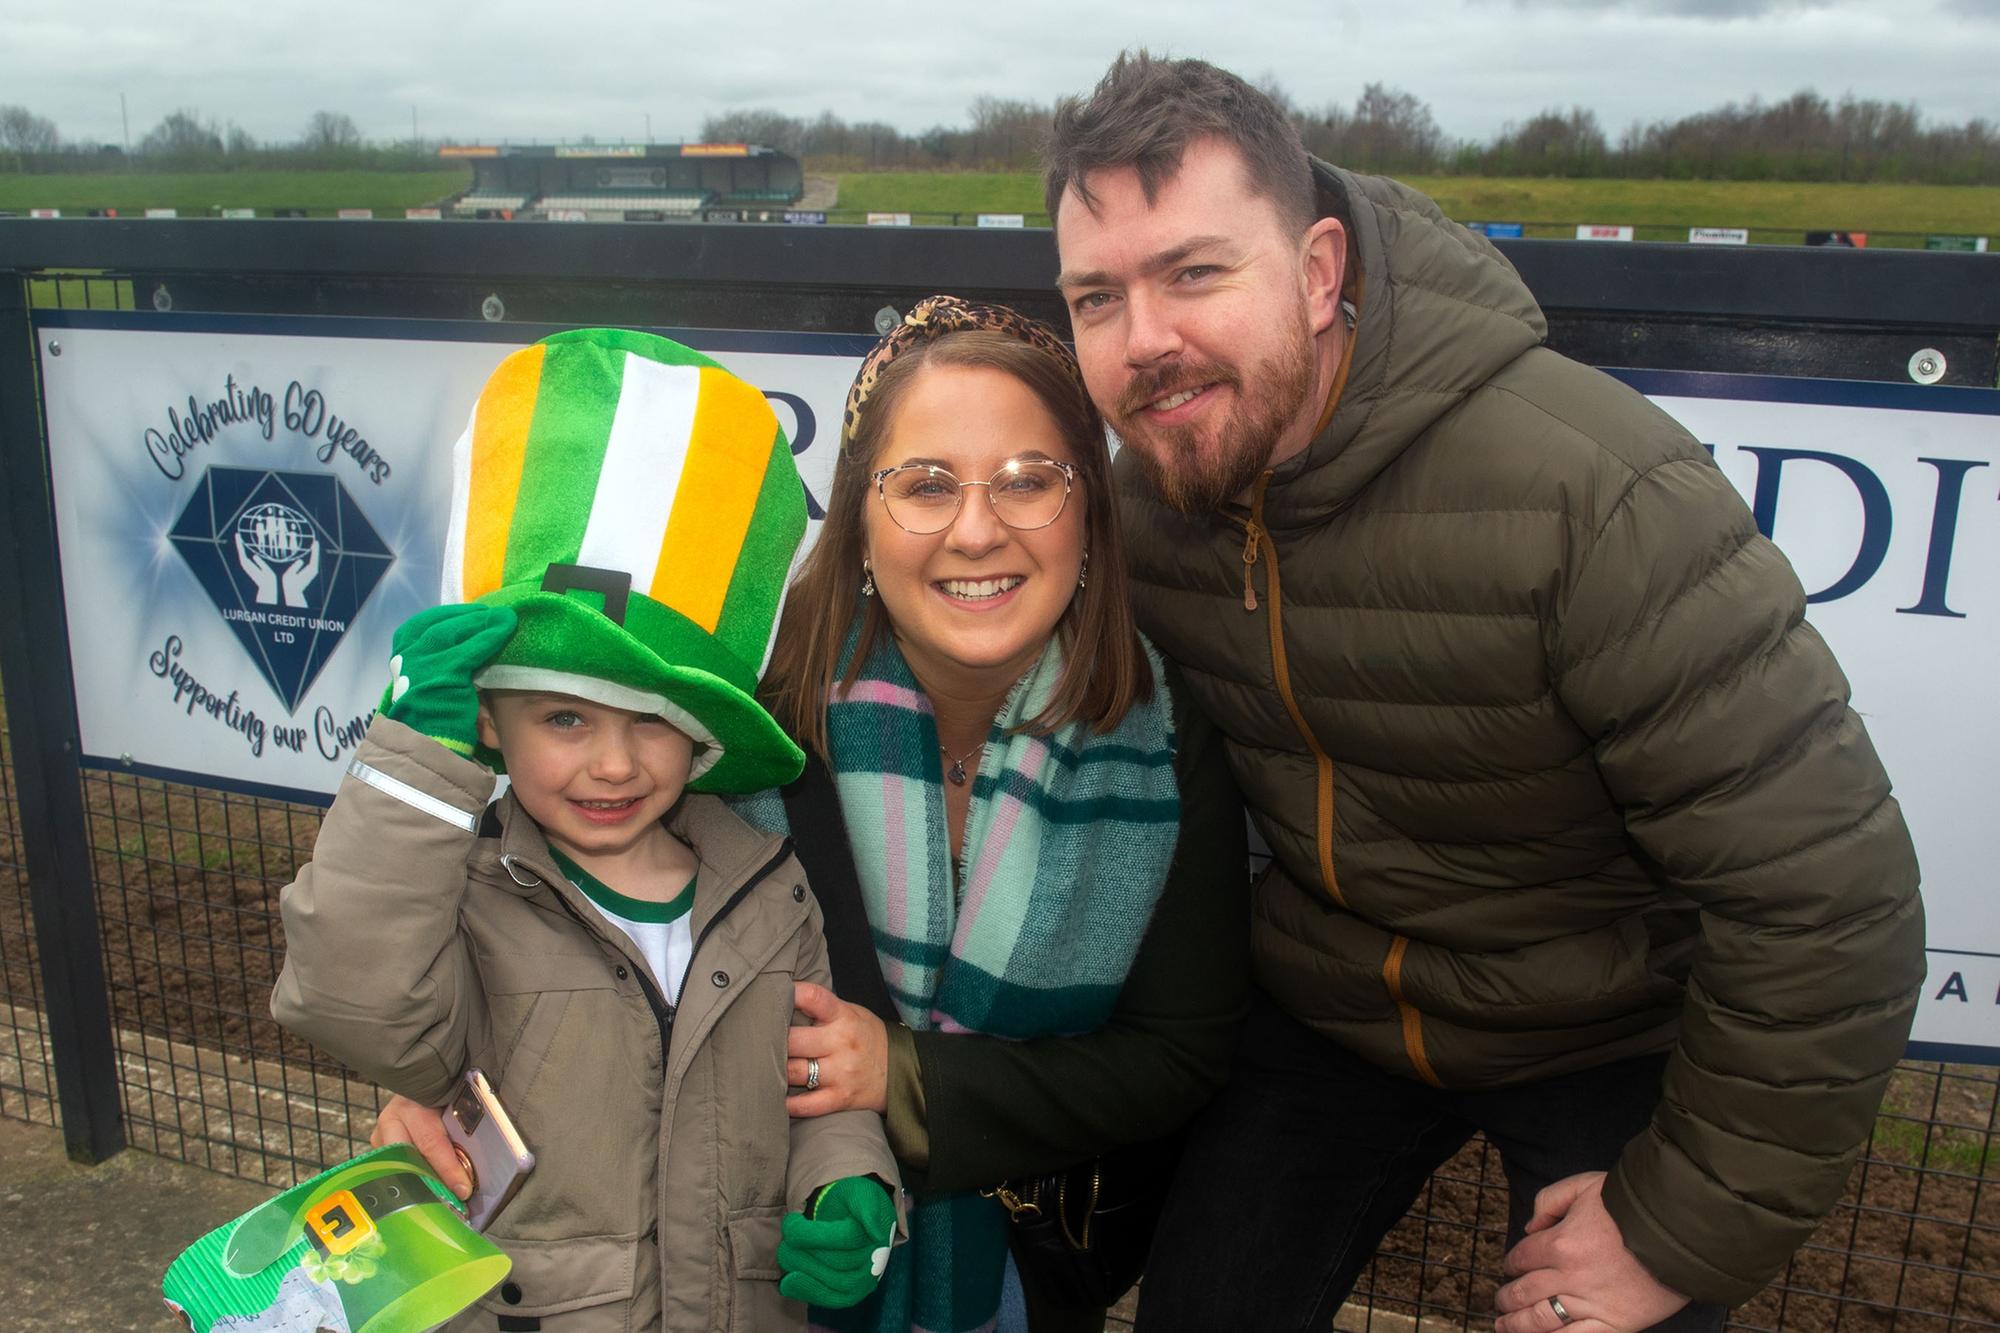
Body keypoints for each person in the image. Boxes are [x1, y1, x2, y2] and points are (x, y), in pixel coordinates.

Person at [1042, 52, 1927, 1333]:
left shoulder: (1596, 493)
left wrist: (1671, 1231)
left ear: (1319, 271)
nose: (1145, 341)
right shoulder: (1148, 504)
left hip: (1602, 1022)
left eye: (1192, 273)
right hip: (1333, 1004)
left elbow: (1826, 900)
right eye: (1096, 297)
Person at [370, 298, 1253, 1333]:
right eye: (925, 484)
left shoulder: (1160, 739)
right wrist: (443, 1086)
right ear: (860, 525)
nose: (977, 529)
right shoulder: (741, 723)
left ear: (1090, 515)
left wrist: (906, 1078)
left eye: (1028, 480)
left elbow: (1179, 1052)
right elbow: (535, 918)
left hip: (1027, 1265)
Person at [272, 328, 902, 1333]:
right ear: (490, 723)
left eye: (651, 720)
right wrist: (413, 772)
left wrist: (849, 1182)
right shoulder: (464, 891)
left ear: (704, 738)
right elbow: (356, 1005)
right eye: (564, 717)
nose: (613, 764)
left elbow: (817, 1089)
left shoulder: (772, 891)